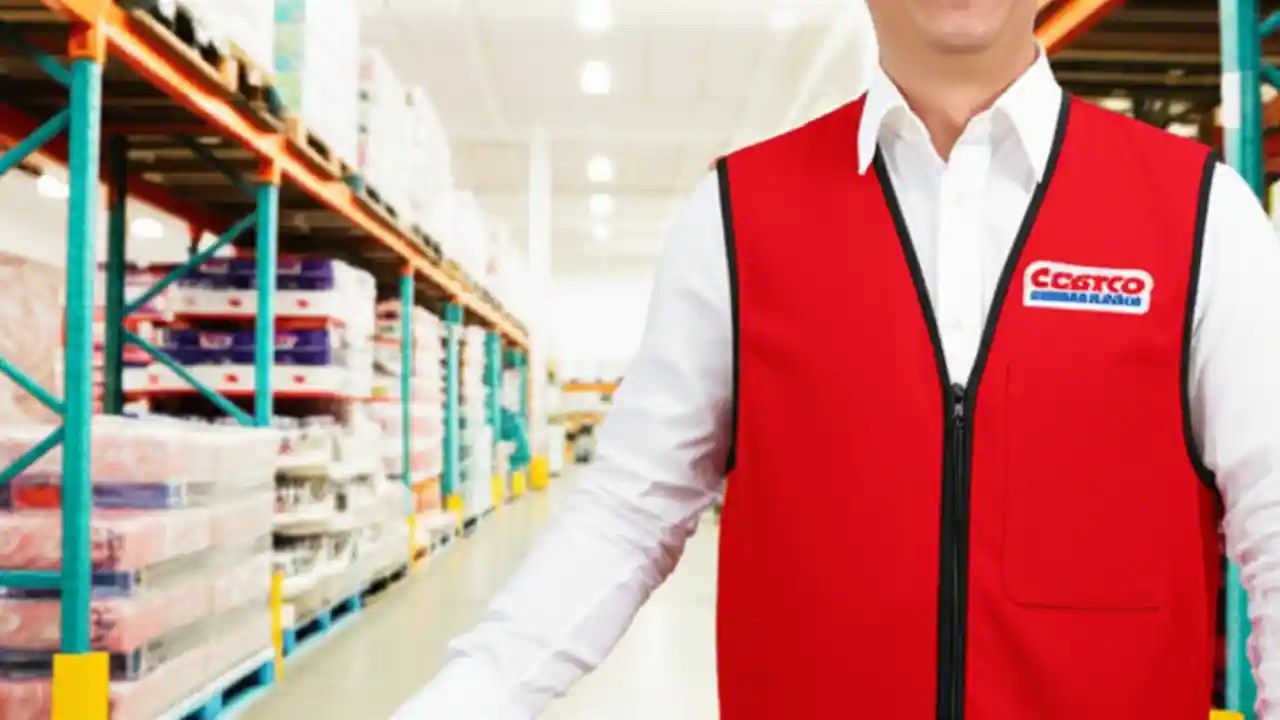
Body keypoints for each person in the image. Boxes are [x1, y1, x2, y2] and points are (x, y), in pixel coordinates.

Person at [395, 0, 1280, 717]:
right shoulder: (740, 217)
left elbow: (1273, 521)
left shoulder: (1200, 215)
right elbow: (631, 508)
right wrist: (468, 694)